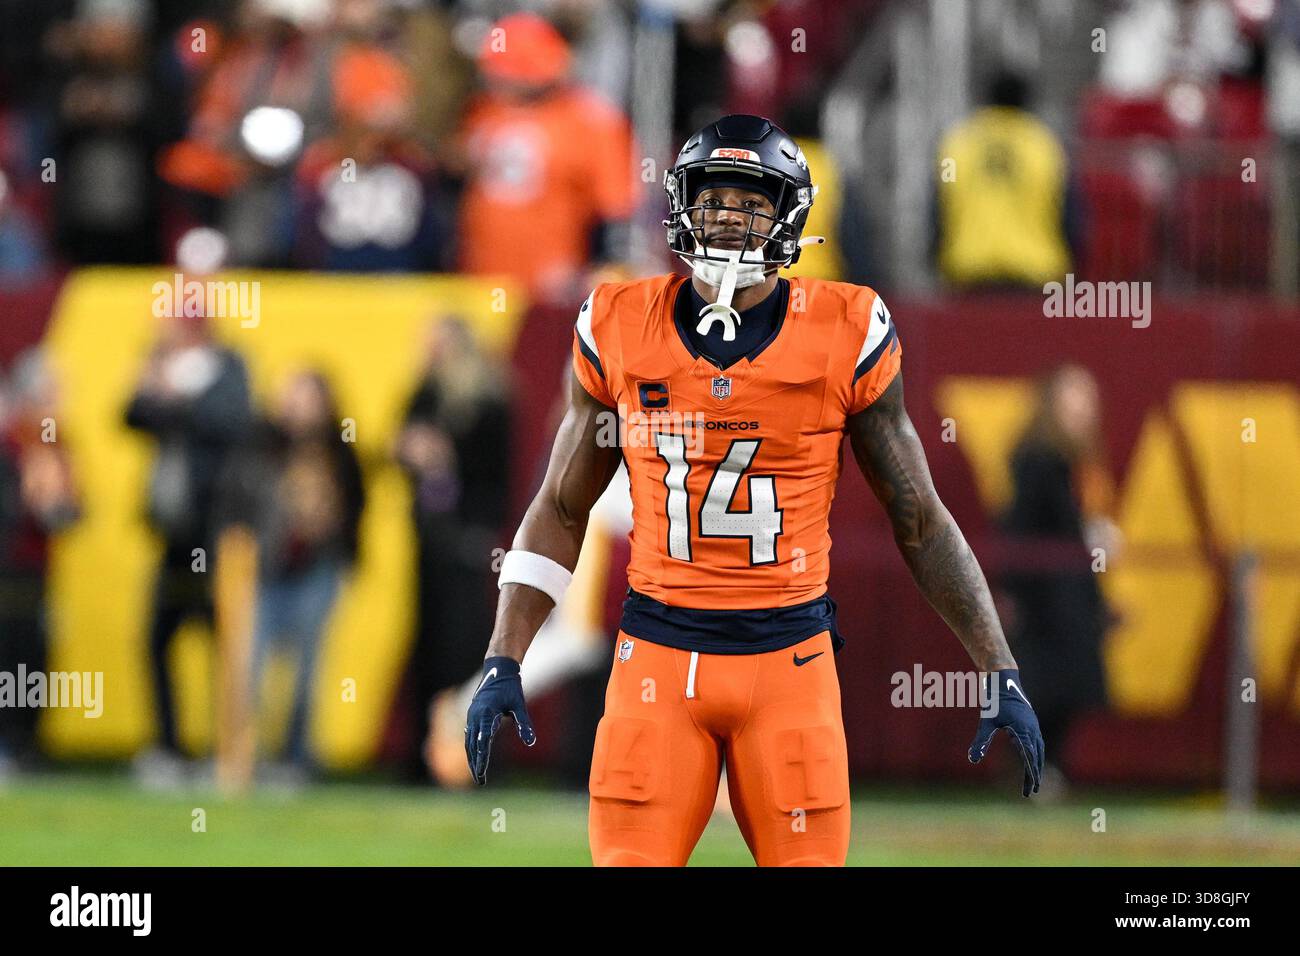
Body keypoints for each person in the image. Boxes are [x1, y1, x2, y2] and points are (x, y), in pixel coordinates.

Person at [465, 114, 1045, 867]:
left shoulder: (845, 329)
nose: (730, 217)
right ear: (681, 206)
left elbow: (922, 524)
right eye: (713, 198)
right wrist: (502, 656)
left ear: (790, 216)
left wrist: (997, 664)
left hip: (789, 664)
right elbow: (561, 507)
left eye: (752, 200)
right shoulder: (618, 322)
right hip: (655, 660)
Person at [220, 370, 364, 782]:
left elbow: (356, 505)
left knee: (306, 670)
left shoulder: (339, 449)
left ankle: (295, 758)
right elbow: (238, 500)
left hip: (317, 571)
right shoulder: (262, 444)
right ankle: (245, 758)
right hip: (269, 569)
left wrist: (343, 553)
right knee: (252, 666)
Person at [125, 311, 251, 784]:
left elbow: (230, 423)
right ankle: (170, 746)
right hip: (173, 534)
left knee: (225, 644)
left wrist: (172, 399)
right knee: (159, 639)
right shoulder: (162, 362)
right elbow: (130, 413)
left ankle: (227, 752)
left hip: (216, 533)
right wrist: (158, 388)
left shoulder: (228, 366)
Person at [450, 12, 637, 304]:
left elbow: (616, 211)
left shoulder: (591, 120)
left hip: (554, 284)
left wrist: (598, 270)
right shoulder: (482, 111)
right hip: (479, 277)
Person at [394, 317, 510, 781]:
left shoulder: (489, 402)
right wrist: (412, 452)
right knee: (428, 646)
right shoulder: (426, 393)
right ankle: (424, 759)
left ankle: (473, 758)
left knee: (466, 649)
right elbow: (398, 446)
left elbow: (495, 476)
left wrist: (446, 460)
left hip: (468, 541)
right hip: (430, 540)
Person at [1000, 364, 1117, 792]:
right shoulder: (1038, 460)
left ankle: (1050, 768)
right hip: (1045, 598)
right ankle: (1033, 769)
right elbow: (1019, 529)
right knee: (1041, 685)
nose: (1084, 408)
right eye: (1073, 398)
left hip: (1069, 595)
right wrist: (1010, 590)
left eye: (1088, 398)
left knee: (1069, 685)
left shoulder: (1075, 463)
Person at [935, 70, 1076, 288]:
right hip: (1032, 275)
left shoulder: (957, 144)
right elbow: (1068, 215)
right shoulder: (1045, 145)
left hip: (969, 274)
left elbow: (939, 210)